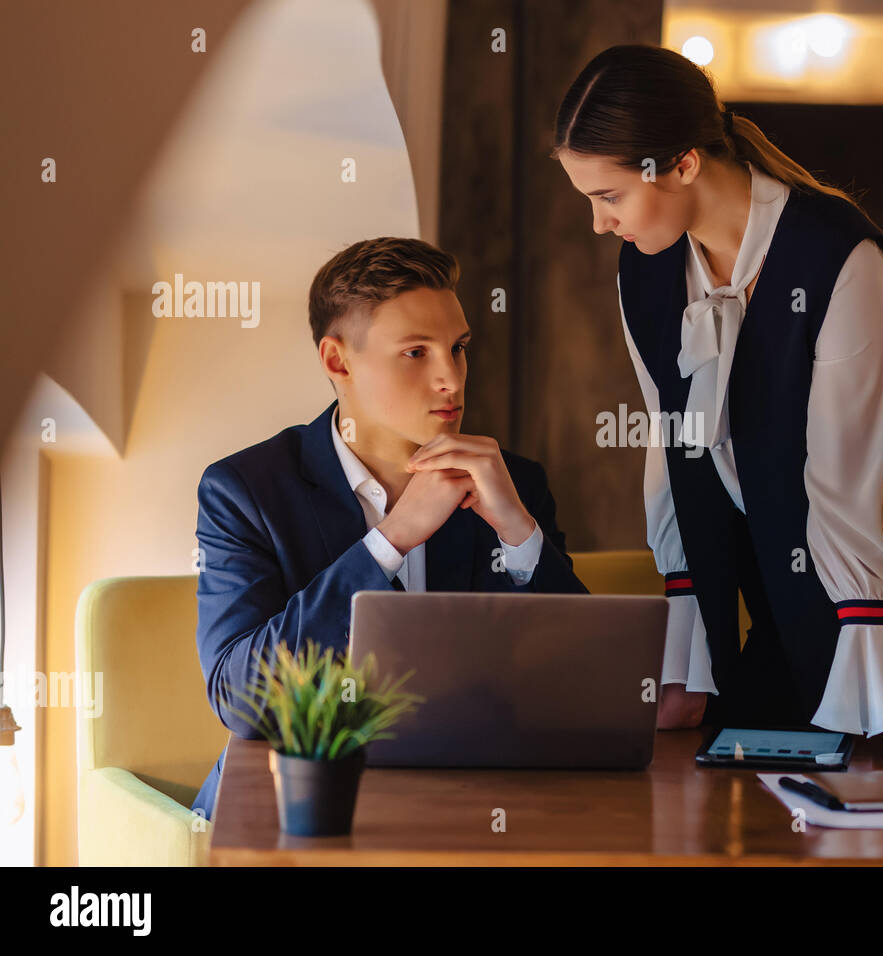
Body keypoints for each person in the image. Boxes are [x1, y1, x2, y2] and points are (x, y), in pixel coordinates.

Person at [553, 45, 883, 797]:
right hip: (797, 594)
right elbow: (678, 456)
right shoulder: (647, 268)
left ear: (683, 165)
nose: (599, 223)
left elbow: (845, 486)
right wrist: (687, 665)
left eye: (611, 195)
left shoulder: (838, 256)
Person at [190, 237, 587, 823]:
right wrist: (391, 539)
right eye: (415, 353)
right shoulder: (244, 491)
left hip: (472, 812)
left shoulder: (512, 481)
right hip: (293, 814)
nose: (451, 378)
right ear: (337, 361)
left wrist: (518, 530)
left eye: (458, 348)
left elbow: (580, 677)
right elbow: (244, 700)